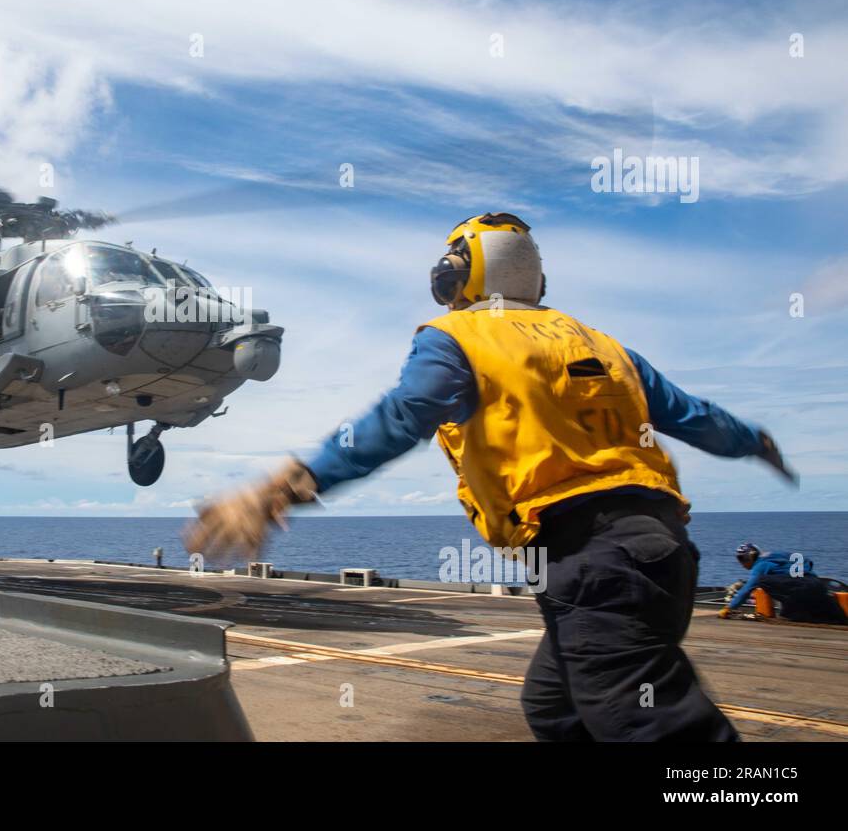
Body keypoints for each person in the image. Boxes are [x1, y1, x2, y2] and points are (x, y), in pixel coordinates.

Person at [185, 212, 796, 742]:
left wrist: (288, 483)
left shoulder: (458, 337)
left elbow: (402, 417)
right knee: (555, 708)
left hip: (593, 558)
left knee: (648, 723)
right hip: (659, 553)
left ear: (462, 272)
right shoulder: (606, 346)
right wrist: (755, 442)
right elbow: (695, 417)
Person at [722, 543, 844, 624]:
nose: (741, 563)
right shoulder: (776, 555)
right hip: (817, 585)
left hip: (802, 587)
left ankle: (795, 611)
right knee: (837, 620)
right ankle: (795, 611)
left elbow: (748, 588)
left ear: (751, 557)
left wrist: (730, 608)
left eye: (742, 559)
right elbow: (807, 561)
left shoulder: (760, 565)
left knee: (762, 580)